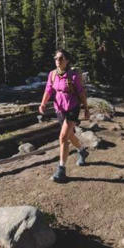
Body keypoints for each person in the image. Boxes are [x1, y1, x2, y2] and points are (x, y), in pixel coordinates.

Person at [38, 49, 90, 182]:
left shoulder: (73, 76)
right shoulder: (52, 75)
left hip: (72, 107)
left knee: (62, 137)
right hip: (59, 109)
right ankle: (82, 150)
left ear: (67, 60)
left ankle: (61, 170)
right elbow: (48, 90)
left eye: (60, 58)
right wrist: (43, 104)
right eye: (56, 58)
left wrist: (86, 108)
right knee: (70, 135)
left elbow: (81, 92)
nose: (57, 60)